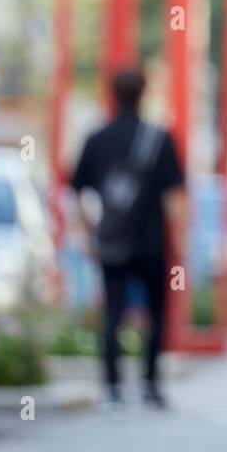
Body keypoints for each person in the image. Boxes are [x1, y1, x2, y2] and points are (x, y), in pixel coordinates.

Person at [69, 66, 185, 411]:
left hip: (112, 242)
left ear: (112, 94)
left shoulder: (97, 138)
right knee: (156, 313)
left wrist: (87, 233)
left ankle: (113, 389)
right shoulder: (159, 138)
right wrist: (179, 242)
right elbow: (174, 198)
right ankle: (150, 386)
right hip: (152, 242)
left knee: (113, 313)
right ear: (144, 93)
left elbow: (77, 191)